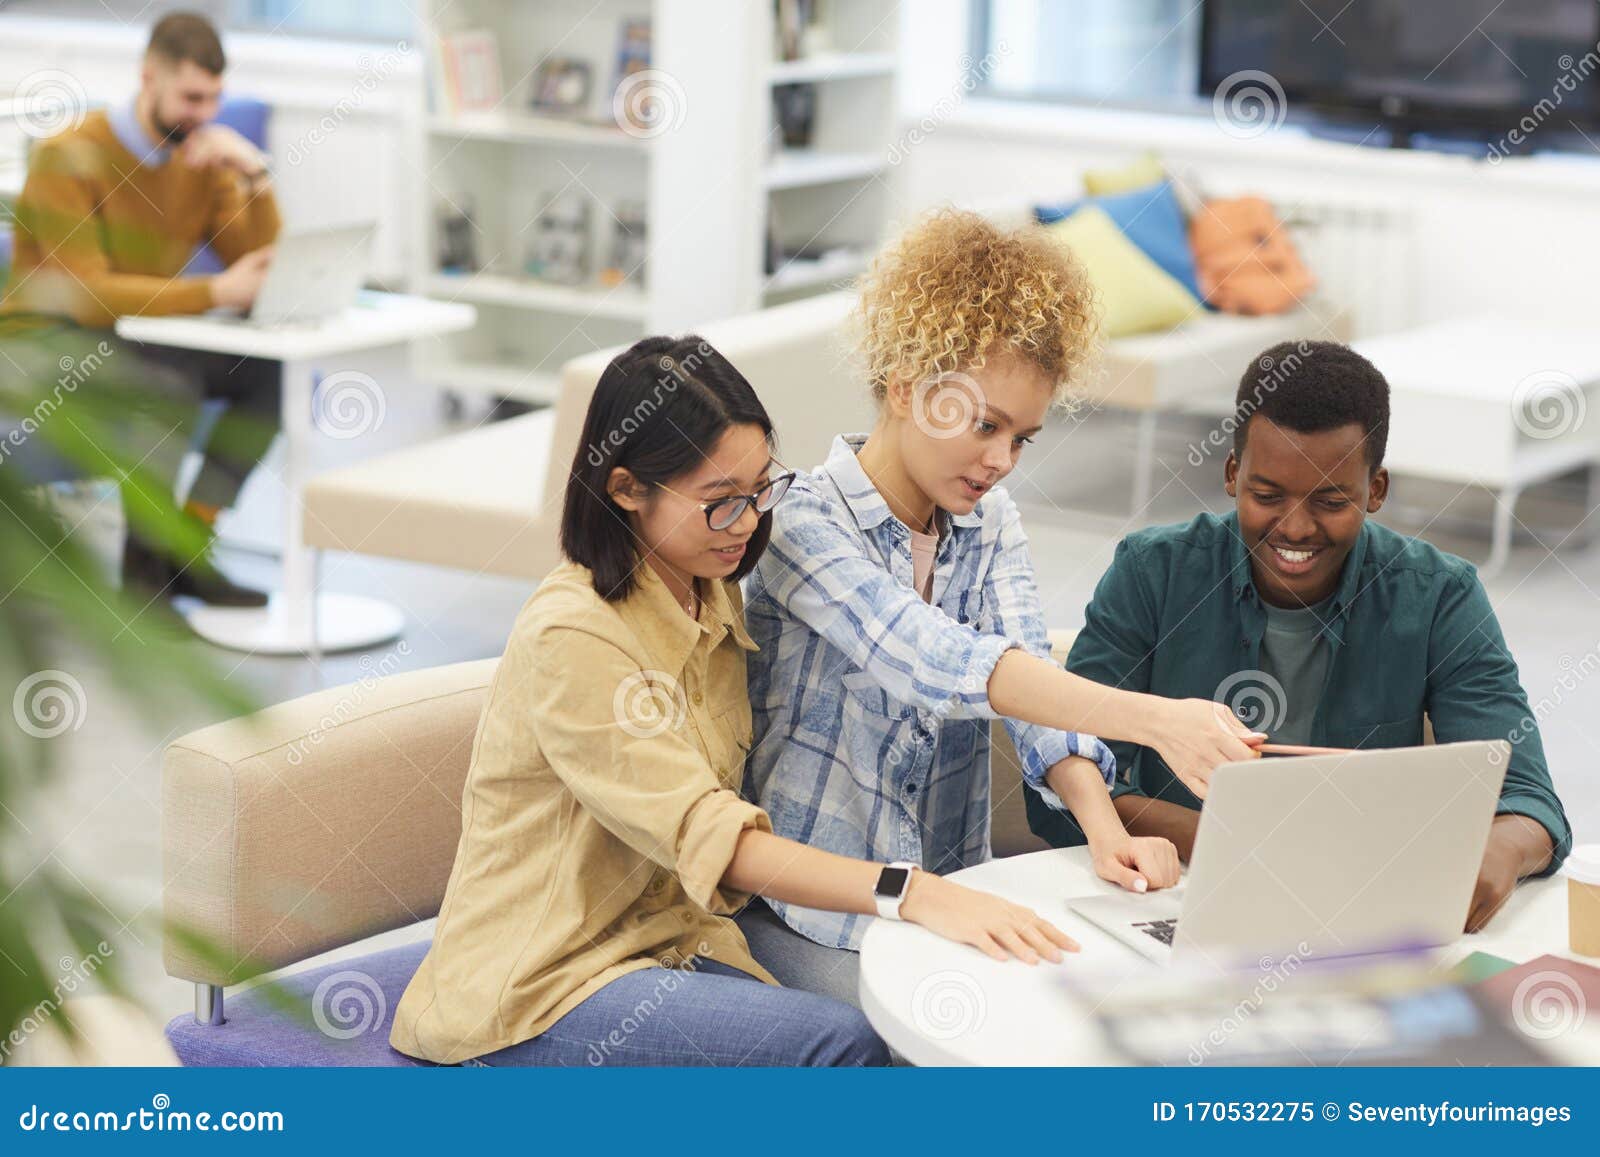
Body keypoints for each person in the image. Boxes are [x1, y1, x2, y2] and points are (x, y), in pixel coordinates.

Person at [389, 336, 1084, 1067]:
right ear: (626, 489)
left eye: (760, 490)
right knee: (841, 1043)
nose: (750, 522)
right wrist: (910, 892)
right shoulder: (574, 634)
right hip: (543, 985)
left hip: (673, 941)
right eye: (721, 503)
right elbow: (711, 833)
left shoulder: (711, 592)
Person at [739, 209, 1263, 1008]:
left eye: (1022, 437)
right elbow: (930, 658)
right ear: (908, 387)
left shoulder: (989, 522)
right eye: (985, 425)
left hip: (953, 895)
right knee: (920, 1042)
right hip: (814, 913)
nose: (1000, 461)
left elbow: (1030, 683)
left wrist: (1105, 829)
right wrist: (1157, 720)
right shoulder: (800, 523)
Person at [1036, 339, 1572, 932]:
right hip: (1175, 899)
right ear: (1232, 474)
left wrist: (1493, 856)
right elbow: (1062, 782)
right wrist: (1235, 843)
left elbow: (1528, 799)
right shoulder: (1153, 572)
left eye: (1331, 501)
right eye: (1267, 496)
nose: (1294, 528)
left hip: (1369, 912)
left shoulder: (1440, 596)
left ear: (1376, 490)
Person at [0, 11, 280, 607]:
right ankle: (144, 578)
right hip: (45, 346)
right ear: (149, 76)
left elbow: (258, 262)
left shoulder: (198, 159)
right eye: (192, 98)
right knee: (167, 378)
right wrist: (213, 293)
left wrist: (253, 173)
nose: (205, 114)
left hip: (138, 334)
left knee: (262, 376)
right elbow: (88, 295)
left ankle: (190, 546)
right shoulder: (67, 155)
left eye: (214, 98)